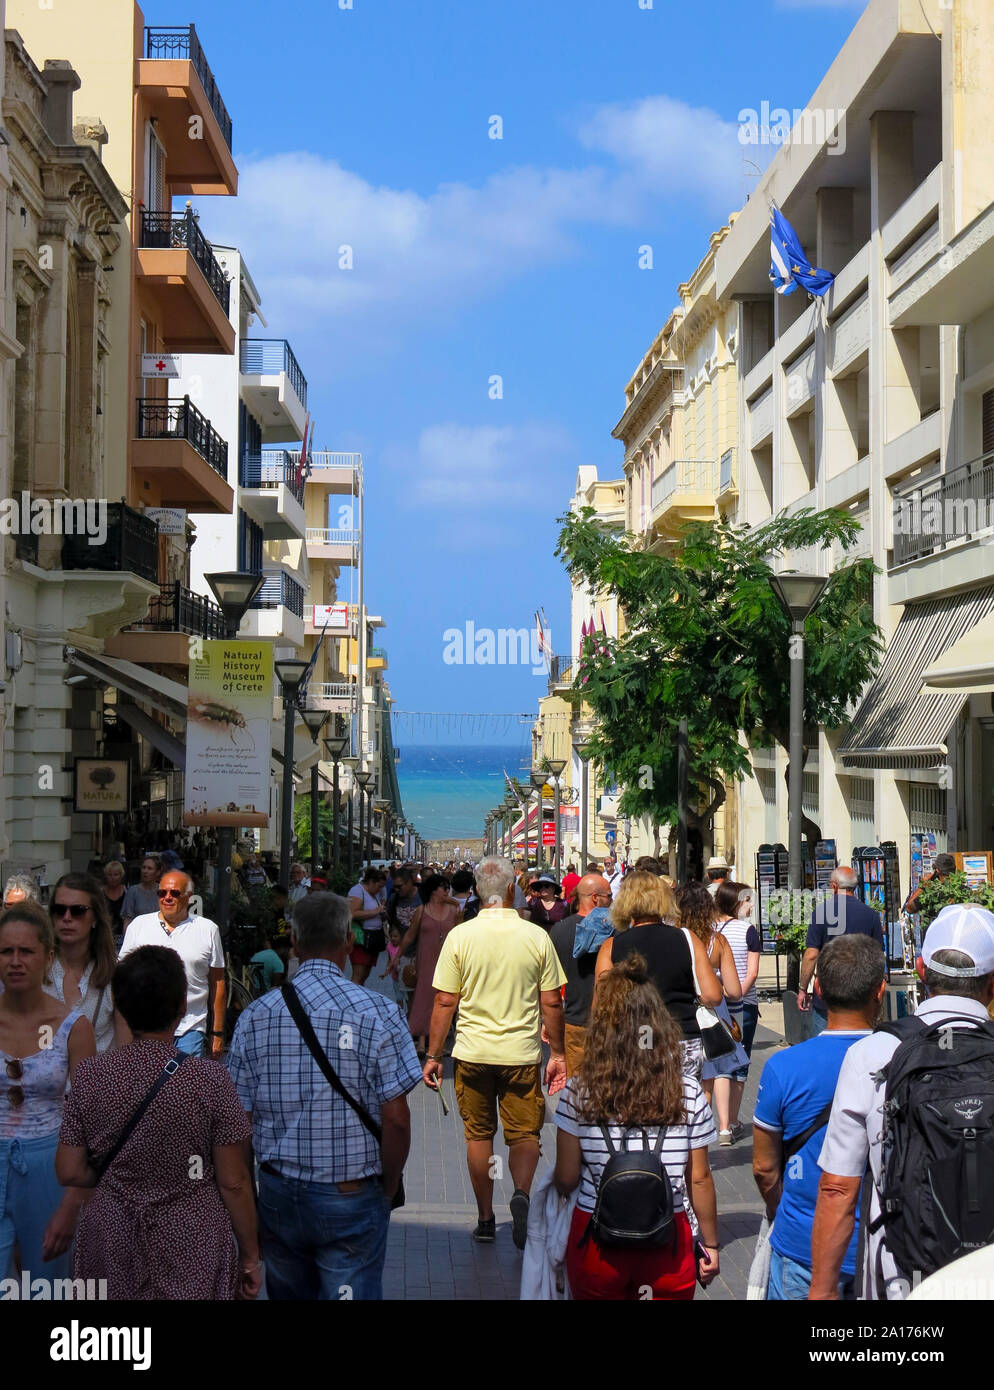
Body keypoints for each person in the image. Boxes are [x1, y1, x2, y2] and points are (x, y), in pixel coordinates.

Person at [228, 892, 421, 1300]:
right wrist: (387, 1188)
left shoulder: (255, 1016)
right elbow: (398, 1118)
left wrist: (252, 1194)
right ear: (349, 942)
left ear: (294, 942)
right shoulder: (378, 1012)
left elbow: (238, 1126)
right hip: (351, 1192)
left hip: (279, 1191)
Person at [811, 904, 994, 1300]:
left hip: (902, 1276)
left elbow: (838, 1189)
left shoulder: (874, 1052)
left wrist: (822, 1292)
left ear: (921, 971)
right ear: (992, 982)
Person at [56, 944, 260, 1300]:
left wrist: (120, 1172)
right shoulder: (209, 1080)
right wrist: (250, 1257)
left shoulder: (92, 1075)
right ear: (182, 1005)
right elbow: (235, 1182)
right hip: (192, 1238)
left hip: (111, 1236)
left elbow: (69, 1170)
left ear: (119, 1006)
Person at [553, 952, 719, 1299]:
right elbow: (699, 1178)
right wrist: (711, 1242)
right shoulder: (687, 1091)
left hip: (595, 1239)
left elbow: (567, 1177)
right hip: (666, 1240)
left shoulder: (578, 1091)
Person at [423, 857, 566, 1247]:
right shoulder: (535, 936)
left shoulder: (460, 936)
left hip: (472, 1053)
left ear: (478, 893)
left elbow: (444, 1002)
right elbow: (552, 1002)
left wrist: (434, 1054)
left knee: (479, 1134)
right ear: (509, 891)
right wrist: (558, 1055)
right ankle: (520, 1192)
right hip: (521, 1054)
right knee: (524, 1134)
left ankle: (486, 1218)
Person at [752, 934, 884, 1300]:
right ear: (881, 989)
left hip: (802, 1247)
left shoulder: (782, 1066)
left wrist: (786, 1210)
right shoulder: (900, 1058)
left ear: (819, 988)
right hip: (879, 1250)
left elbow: (764, 1168)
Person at [0, 901, 95, 1283]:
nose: (15, 961)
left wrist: (73, 1202)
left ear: (48, 956)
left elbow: (90, 1122)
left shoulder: (74, 1026)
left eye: (26, 951)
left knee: (47, 1283)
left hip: (50, 1163)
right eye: (6, 951)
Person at [595, 871, 723, 1080]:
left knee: (641, 1106)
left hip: (635, 1038)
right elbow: (713, 996)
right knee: (684, 1106)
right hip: (682, 1036)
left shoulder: (611, 947)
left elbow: (602, 1005)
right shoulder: (687, 938)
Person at [119, 870, 226, 1058]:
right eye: (162, 893)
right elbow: (122, 976)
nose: (167, 898)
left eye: (175, 893)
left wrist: (217, 1032)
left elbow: (218, 982)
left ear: (189, 897)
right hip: (145, 1029)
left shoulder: (208, 929)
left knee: (185, 1086)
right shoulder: (138, 926)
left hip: (190, 1029)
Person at [678, 880, 745, 1143]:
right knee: (711, 1075)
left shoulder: (673, 938)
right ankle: (709, 1130)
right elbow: (735, 991)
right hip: (714, 1016)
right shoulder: (718, 942)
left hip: (680, 1014)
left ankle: (684, 1132)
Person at [798, 866, 884, 1033]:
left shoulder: (822, 912)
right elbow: (879, 955)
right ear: (855, 887)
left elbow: (811, 955)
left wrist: (803, 988)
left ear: (835, 886)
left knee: (824, 1049)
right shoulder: (870, 915)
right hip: (862, 992)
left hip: (828, 993)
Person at [46, 873, 119, 1053]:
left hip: (98, 1079)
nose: (67, 917)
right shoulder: (36, 969)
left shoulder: (116, 976)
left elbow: (125, 1052)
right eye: (59, 910)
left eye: (78, 910)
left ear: (95, 918)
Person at [549, 872, 612, 1077]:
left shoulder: (559, 930)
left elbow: (551, 984)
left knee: (578, 1090)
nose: (612, 901)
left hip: (574, 1021)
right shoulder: (616, 932)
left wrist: (548, 1023)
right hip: (610, 1023)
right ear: (596, 898)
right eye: (609, 896)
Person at [712, 880, 762, 1137]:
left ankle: (721, 1125)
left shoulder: (709, 929)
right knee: (741, 1060)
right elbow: (752, 972)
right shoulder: (748, 930)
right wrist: (738, 995)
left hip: (716, 1005)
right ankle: (732, 1120)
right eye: (748, 900)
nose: (752, 905)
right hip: (744, 1004)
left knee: (720, 1061)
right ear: (737, 903)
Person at [395, 874, 460, 1057]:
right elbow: (410, 935)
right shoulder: (421, 910)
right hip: (425, 959)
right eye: (443, 887)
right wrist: (396, 956)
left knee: (442, 998)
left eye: (448, 887)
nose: (447, 891)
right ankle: (422, 1040)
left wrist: (455, 904)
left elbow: (460, 932)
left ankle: (435, 1041)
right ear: (433, 890)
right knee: (423, 998)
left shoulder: (453, 910)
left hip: (446, 960)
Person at [348, 867, 387, 987]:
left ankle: (359, 996)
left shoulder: (372, 894)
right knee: (358, 975)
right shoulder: (357, 891)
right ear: (371, 882)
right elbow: (352, 913)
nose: (380, 890)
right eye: (379, 886)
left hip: (372, 940)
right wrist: (375, 912)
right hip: (362, 939)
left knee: (364, 975)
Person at [903, 851, 956, 917]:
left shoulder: (931, 894)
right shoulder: (963, 890)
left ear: (937, 870)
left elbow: (909, 908)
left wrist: (922, 887)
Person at [121, 855, 161, 929]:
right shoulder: (133, 891)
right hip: (138, 934)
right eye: (143, 867)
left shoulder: (163, 890)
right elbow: (127, 919)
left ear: (157, 872)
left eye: (149, 868)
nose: (145, 871)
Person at [102, 861, 127, 945]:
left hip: (123, 934)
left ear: (121, 876)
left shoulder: (127, 892)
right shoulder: (100, 892)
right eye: (110, 875)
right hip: (105, 934)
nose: (113, 878)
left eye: (116, 875)